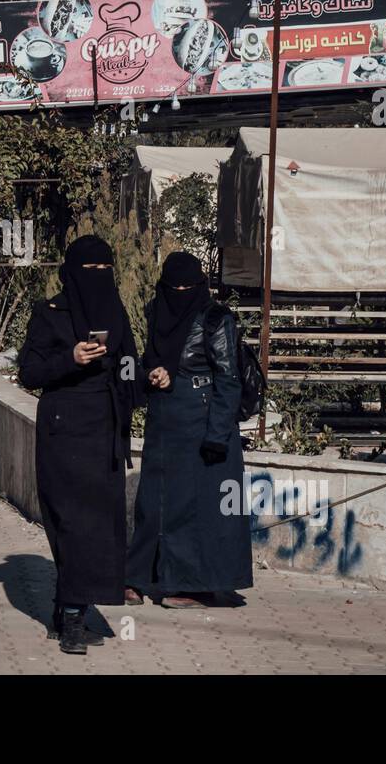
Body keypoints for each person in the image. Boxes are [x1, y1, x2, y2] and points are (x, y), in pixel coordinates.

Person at [16, 235, 142, 654]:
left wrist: (146, 384)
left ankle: (68, 609)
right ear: (71, 273)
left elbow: (129, 364)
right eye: (90, 271)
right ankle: (72, 616)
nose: (98, 279)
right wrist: (71, 359)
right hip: (63, 430)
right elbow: (29, 373)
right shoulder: (49, 313)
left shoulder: (116, 312)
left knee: (98, 527)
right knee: (71, 524)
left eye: (104, 271)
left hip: (105, 431)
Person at [127, 252, 251, 608]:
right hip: (165, 419)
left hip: (202, 423)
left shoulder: (216, 318)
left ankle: (195, 585)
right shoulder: (156, 311)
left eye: (187, 287)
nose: (180, 292)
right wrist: (154, 372)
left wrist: (216, 435)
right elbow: (154, 357)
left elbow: (227, 380)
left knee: (199, 509)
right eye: (174, 286)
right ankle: (140, 577)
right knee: (154, 502)